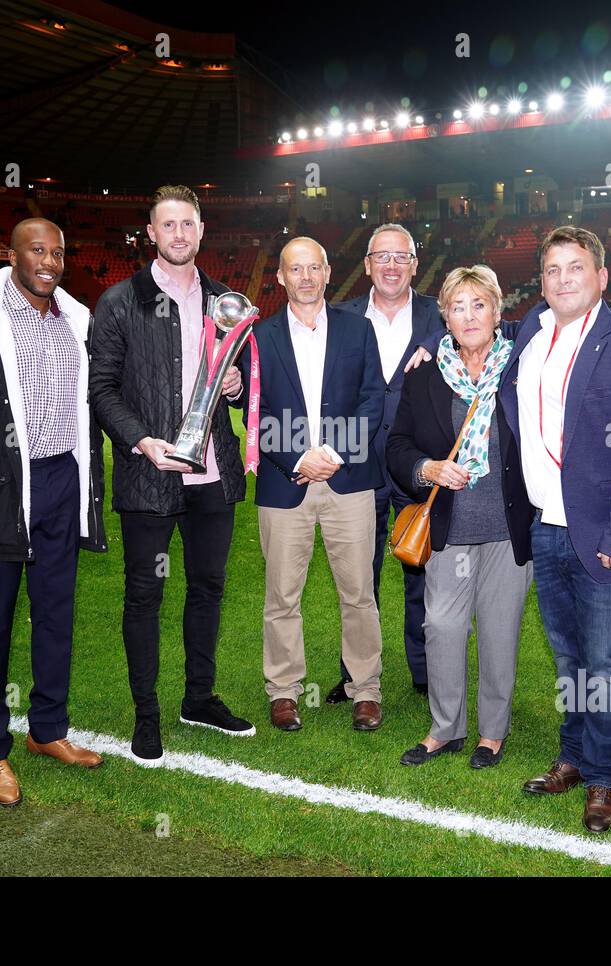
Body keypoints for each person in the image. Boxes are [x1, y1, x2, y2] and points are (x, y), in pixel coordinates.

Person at [0, 217, 107, 807]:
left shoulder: (78, 319)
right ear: (11, 254)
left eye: (58, 251)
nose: (50, 261)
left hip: (63, 480)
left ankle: (48, 731)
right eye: (38, 250)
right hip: (5, 489)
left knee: (57, 614)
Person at [512, 226, 611, 834]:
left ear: (602, 277)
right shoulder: (529, 334)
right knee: (569, 658)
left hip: (607, 537)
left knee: (608, 664)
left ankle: (606, 777)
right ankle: (574, 756)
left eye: (574, 268)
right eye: (551, 269)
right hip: (547, 528)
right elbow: (468, 336)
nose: (561, 280)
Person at [90, 185, 254, 768]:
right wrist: (139, 440)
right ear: (152, 233)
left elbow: (241, 382)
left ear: (202, 231)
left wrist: (235, 386)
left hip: (212, 475)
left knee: (207, 589)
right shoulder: (120, 301)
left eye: (189, 223)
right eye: (169, 224)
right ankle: (146, 713)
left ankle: (199, 699)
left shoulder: (226, 303)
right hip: (149, 475)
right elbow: (101, 388)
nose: (180, 234)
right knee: (145, 595)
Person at [387, 265, 533, 769]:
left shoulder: (521, 365)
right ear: (444, 316)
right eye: (457, 306)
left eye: (479, 305)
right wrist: (426, 468)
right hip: (448, 528)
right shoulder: (424, 373)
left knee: (499, 631)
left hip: (508, 528)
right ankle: (445, 728)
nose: (468, 316)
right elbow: (397, 444)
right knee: (442, 627)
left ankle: (492, 733)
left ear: (497, 311)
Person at [244, 236, 386, 733]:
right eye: (294, 269)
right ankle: (283, 691)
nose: (304, 277)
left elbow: (373, 401)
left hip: (350, 480)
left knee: (359, 593)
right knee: (282, 595)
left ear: (328, 273)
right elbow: (253, 410)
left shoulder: (358, 330)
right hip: (286, 483)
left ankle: (365, 689)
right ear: (280, 277)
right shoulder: (259, 337)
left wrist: (332, 454)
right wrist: (297, 457)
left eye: (314, 268)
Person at [330, 223, 445, 702]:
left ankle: (426, 672)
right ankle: (358, 674)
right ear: (368, 264)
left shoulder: (443, 315)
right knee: (359, 574)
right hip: (358, 462)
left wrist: (442, 345)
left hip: (418, 462)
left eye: (402, 257)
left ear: (415, 265)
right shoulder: (340, 317)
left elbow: (490, 338)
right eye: (383, 256)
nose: (393, 265)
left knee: (423, 570)